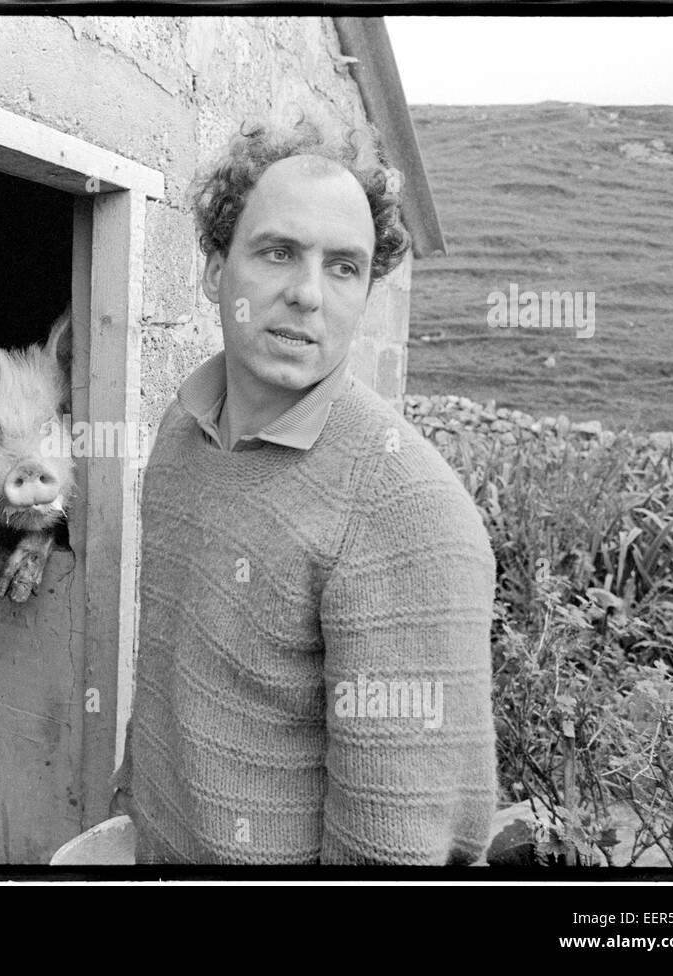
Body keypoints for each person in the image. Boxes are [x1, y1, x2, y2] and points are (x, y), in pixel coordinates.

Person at [109, 116, 498, 864]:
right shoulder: (183, 431)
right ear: (215, 267)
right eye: (279, 253)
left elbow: (397, 846)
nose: (308, 294)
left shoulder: (406, 508)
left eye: (344, 267)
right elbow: (168, 676)